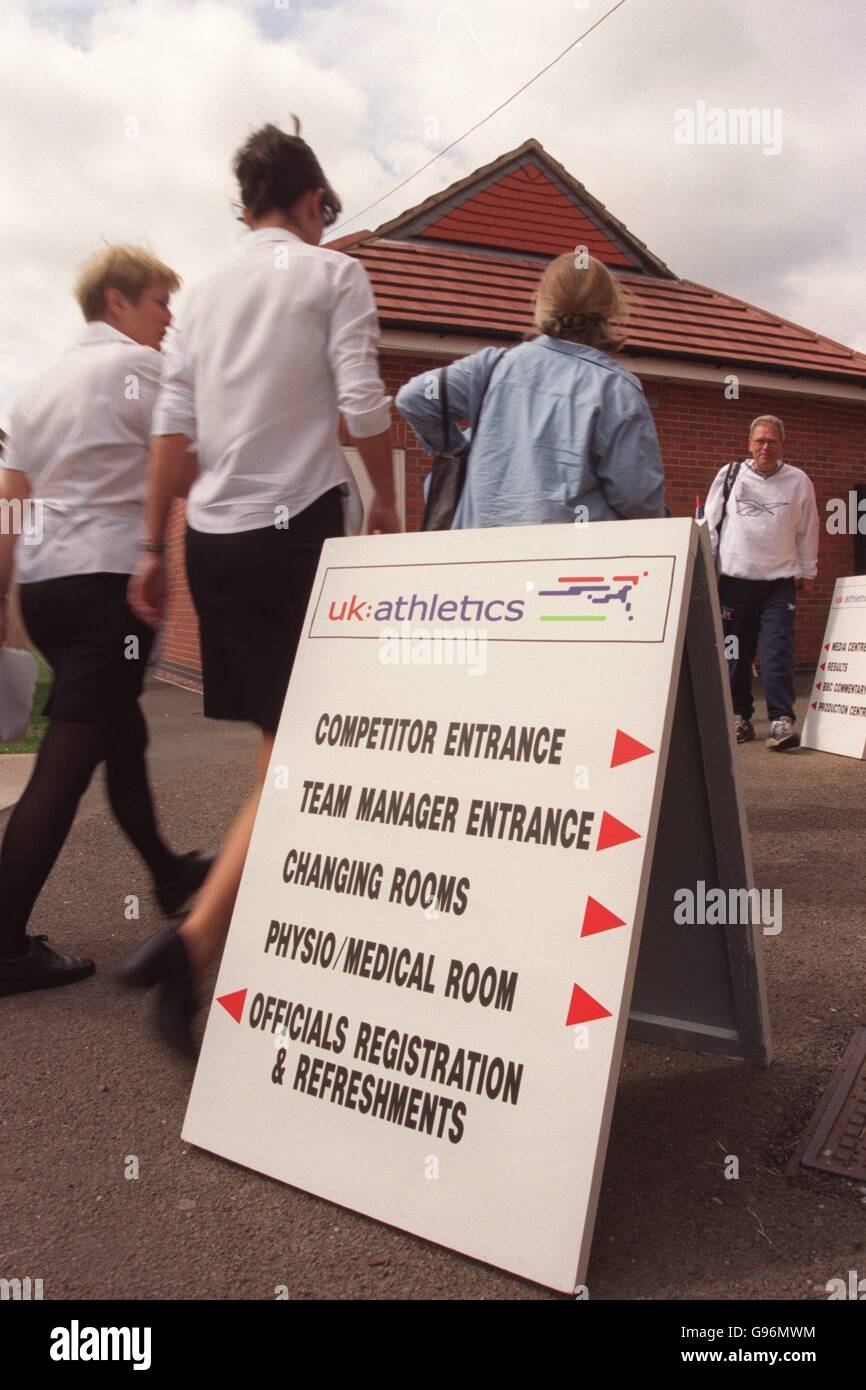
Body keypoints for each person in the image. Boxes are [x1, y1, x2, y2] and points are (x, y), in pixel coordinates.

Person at [120, 121, 399, 1054]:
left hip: (213, 545)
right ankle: (195, 942)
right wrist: (397, 504)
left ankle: (259, 913)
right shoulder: (334, 276)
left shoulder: (197, 301)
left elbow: (173, 430)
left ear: (246, 207)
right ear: (315, 200)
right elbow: (362, 407)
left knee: (284, 740)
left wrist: (152, 551)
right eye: (330, 210)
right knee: (307, 746)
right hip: (296, 539)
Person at [0, 247, 212, 997]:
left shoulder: (34, 392)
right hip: (104, 590)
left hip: (48, 588)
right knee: (65, 766)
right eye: (161, 303)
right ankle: (4, 946)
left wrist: (4, 598)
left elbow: (13, 500)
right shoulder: (142, 372)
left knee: (123, 732)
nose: (169, 320)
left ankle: (167, 871)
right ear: (118, 301)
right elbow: (185, 467)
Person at [395, 252, 666, 527]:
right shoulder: (616, 389)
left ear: (542, 303)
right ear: (611, 309)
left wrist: (459, 449)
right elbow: (639, 504)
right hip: (572, 560)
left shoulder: (493, 366)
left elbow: (414, 399)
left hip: (478, 556)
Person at [705, 415, 818, 750]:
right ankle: (739, 717)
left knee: (776, 652)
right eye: (760, 441)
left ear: (783, 445)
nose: (766, 447)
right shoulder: (729, 476)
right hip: (735, 582)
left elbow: (808, 529)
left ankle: (781, 721)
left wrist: (808, 572)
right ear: (749, 444)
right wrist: (708, 567)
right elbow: (710, 524)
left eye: (772, 441)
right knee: (735, 656)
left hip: (778, 584)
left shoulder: (798, 481)